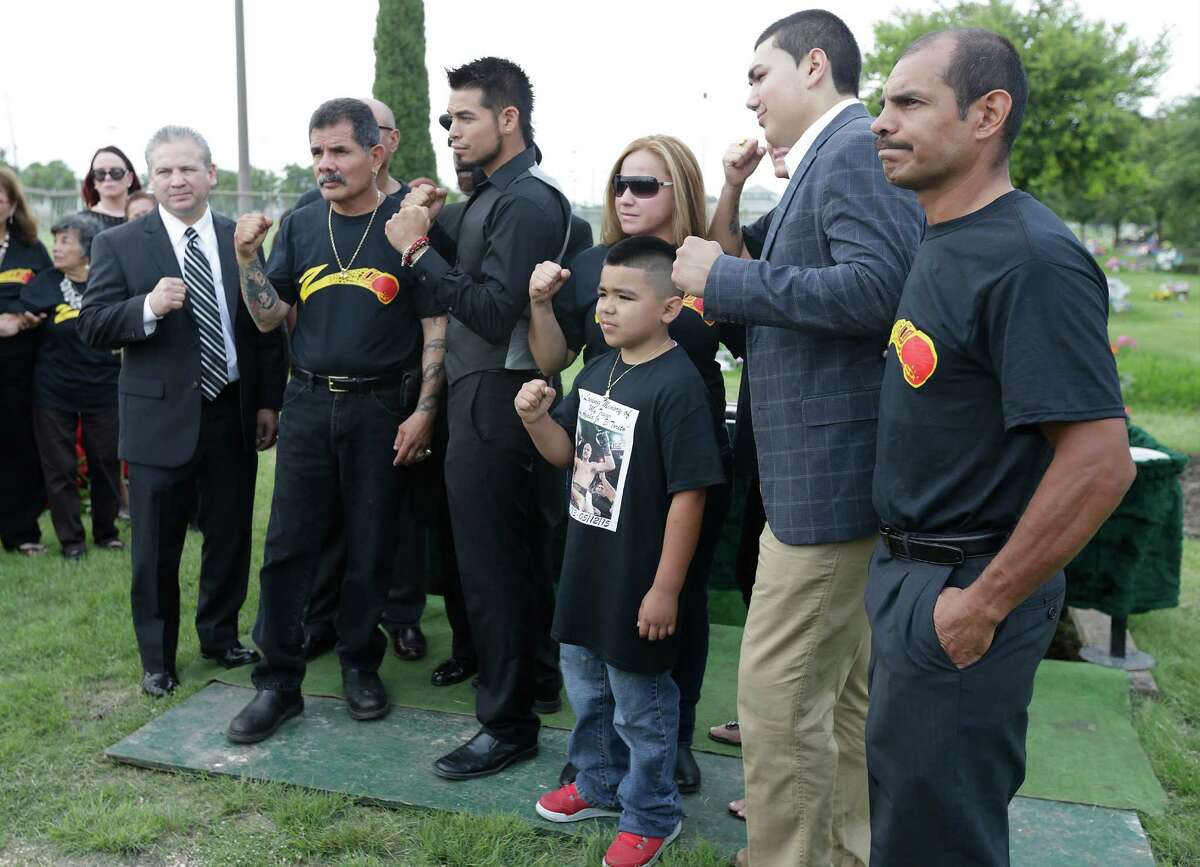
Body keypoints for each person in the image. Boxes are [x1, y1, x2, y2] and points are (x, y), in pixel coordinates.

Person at [866, 29, 1134, 866]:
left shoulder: (1030, 259)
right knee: (911, 820)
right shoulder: (940, 237)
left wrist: (978, 606)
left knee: (939, 839)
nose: (881, 121)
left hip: (964, 584)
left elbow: (1099, 460)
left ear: (988, 114)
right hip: (912, 576)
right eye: (883, 101)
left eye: (910, 101)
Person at [670, 11, 924, 867]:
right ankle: (848, 852)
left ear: (816, 65)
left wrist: (726, 277)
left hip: (828, 487)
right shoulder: (831, 155)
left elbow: (876, 290)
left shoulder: (850, 147)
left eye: (757, 74)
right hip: (829, 480)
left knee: (777, 700)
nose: (748, 95)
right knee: (839, 700)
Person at [225, 98, 447, 744]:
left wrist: (425, 410)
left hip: (382, 405)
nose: (325, 164)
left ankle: (358, 663)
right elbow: (269, 317)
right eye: (317, 152)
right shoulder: (299, 225)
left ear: (377, 154)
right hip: (309, 402)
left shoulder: (407, 225)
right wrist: (247, 259)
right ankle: (277, 682)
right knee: (287, 545)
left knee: (371, 542)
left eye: (339, 151)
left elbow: (436, 323)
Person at [528, 134, 735, 794]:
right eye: (621, 182)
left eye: (645, 183)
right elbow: (554, 359)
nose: (628, 195)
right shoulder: (593, 264)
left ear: (679, 188)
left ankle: (666, 741)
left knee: (677, 597)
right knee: (598, 599)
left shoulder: (705, 263)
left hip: (682, 449)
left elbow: (752, 334)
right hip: (603, 451)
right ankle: (600, 758)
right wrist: (539, 305)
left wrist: (731, 192)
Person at [386, 57, 573, 780]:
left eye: (463, 116)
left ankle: (507, 725)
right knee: (511, 560)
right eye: (446, 118)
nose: (451, 130)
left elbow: (495, 311)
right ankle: (533, 682)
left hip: (500, 390)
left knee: (493, 568)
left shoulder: (526, 200)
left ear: (507, 118)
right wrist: (433, 229)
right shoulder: (496, 198)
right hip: (486, 392)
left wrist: (413, 248)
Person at [517, 237, 724, 867]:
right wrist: (536, 421)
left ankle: (652, 812)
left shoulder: (678, 385)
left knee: (641, 706)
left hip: (641, 581)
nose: (605, 308)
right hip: (587, 569)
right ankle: (601, 785)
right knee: (589, 690)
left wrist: (665, 589)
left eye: (624, 297)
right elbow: (569, 457)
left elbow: (690, 498)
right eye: (603, 294)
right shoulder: (599, 370)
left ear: (669, 308)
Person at [78, 126, 287, 698]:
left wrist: (268, 399)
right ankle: (158, 659)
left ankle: (220, 636)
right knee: (155, 549)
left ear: (210, 174)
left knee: (229, 535)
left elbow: (262, 327)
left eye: (188, 169)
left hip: (232, 411)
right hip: (159, 423)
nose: (177, 180)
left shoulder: (237, 238)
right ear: (152, 177)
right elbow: (94, 325)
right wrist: (145, 306)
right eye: (165, 171)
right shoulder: (119, 244)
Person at [21, 213, 122, 559]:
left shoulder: (107, 282)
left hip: (104, 385)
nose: (58, 248)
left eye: (66, 241)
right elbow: (23, 316)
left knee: (106, 461)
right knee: (60, 466)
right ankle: (71, 541)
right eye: (57, 240)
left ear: (87, 249)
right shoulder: (46, 283)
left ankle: (107, 532)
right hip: (53, 390)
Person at [0, 167, 52, 556]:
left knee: (20, 447)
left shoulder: (31, 248)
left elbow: (51, 290)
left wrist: (23, 317)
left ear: (13, 204)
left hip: (21, 368)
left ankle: (21, 532)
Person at [81, 146, 143, 230]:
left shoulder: (147, 215)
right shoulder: (81, 222)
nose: (108, 178)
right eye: (100, 173)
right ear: (94, 181)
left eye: (116, 172)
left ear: (129, 178)